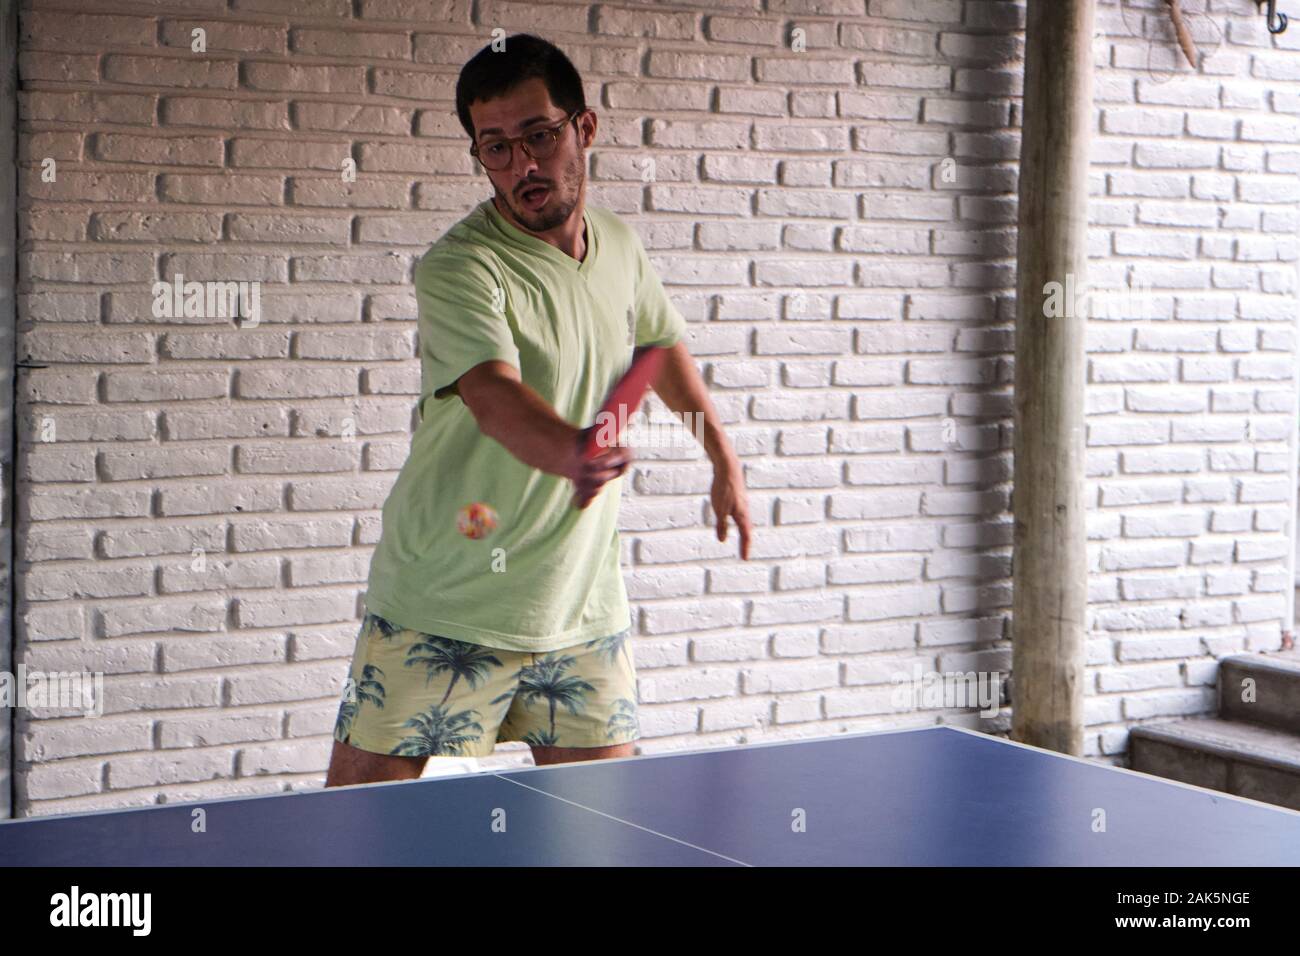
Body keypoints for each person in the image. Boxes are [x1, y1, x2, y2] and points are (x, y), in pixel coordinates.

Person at [326, 34, 751, 787]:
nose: (521, 163)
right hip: (444, 599)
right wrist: (571, 451)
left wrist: (722, 456)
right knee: (357, 834)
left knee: (599, 838)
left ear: (582, 130)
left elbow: (661, 350)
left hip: (580, 610)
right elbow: (492, 392)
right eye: (495, 147)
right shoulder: (462, 265)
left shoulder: (619, 246)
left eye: (538, 136)